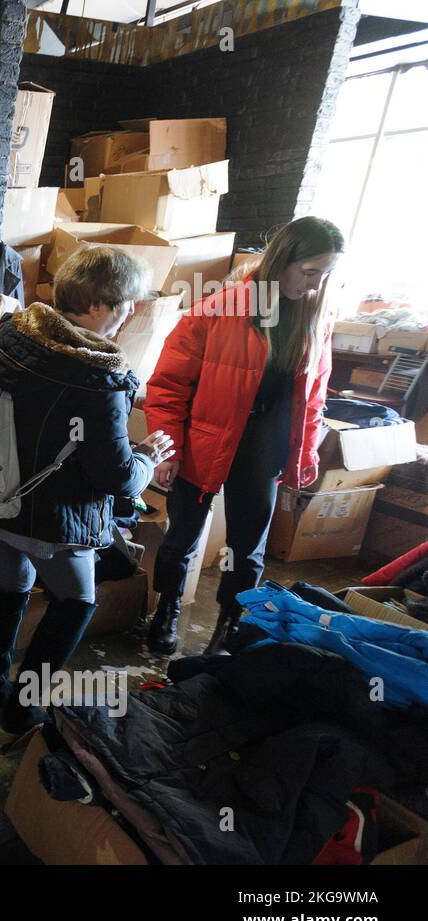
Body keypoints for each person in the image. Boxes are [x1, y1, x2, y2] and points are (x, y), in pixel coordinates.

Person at [0, 247, 174, 734]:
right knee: (77, 604)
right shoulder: (98, 378)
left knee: (12, 587)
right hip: (53, 521)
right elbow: (118, 478)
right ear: (100, 306)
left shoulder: (10, 338)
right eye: (127, 304)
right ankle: (23, 710)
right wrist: (147, 456)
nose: (129, 315)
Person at [143, 216, 344, 656]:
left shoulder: (316, 320)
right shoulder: (218, 310)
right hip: (204, 442)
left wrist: (306, 452)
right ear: (281, 261)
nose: (313, 285)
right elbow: (168, 386)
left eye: (324, 275)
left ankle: (228, 626)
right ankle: (168, 610)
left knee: (247, 550)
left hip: (263, 448)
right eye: (308, 272)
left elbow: (314, 398)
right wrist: (167, 448)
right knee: (181, 539)